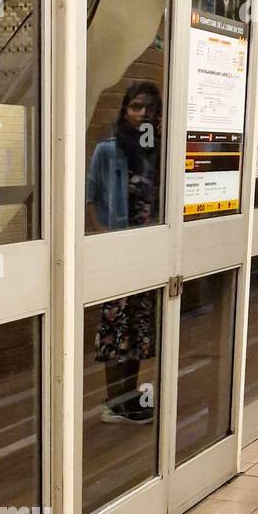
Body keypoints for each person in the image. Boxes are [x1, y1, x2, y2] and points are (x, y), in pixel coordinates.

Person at [87, 82, 162, 423]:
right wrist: (106, 238)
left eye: (148, 108)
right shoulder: (108, 150)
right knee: (117, 329)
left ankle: (130, 399)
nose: (141, 114)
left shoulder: (159, 150)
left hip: (148, 252)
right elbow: (91, 196)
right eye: (135, 107)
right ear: (125, 110)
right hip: (120, 252)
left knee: (138, 331)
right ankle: (113, 403)